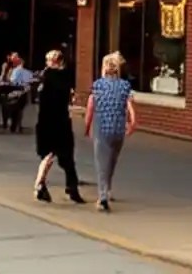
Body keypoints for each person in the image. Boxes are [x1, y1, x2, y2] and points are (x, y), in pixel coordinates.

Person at [85, 51, 136, 212]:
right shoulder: (125, 86)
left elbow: (90, 110)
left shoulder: (98, 85)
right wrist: (132, 122)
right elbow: (130, 108)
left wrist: (87, 128)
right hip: (118, 128)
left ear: (105, 68)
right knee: (112, 161)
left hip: (102, 127)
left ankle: (102, 197)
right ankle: (108, 189)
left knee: (102, 163)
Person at [34, 50, 84, 204]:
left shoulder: (44, 78)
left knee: (48, 156)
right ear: (60, 62)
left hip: (45, 122)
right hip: (59, 122)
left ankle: (44, 185)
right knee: (66, 157)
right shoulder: (62, 78)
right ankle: (68, 188)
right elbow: (66, 99)